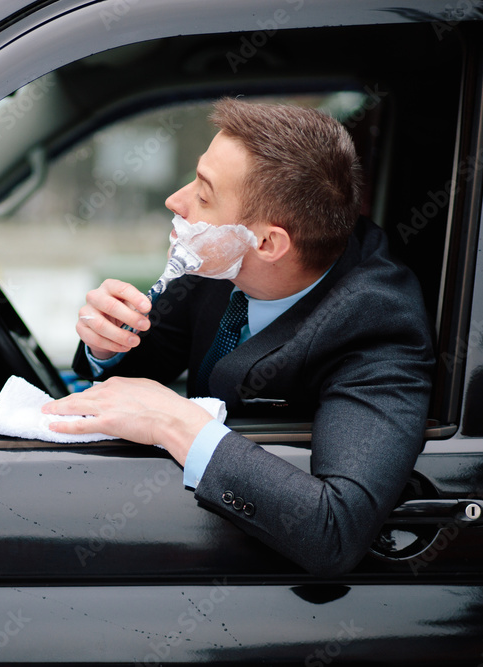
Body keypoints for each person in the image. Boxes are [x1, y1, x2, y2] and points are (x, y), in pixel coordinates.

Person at [42, 98, 435, 577]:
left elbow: (335, 530)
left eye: (204, 196)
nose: (176, 200)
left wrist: (177, 424)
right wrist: (105, 345)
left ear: (268, 243)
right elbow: (144, 370)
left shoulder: (377, 326)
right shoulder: (218, 261)